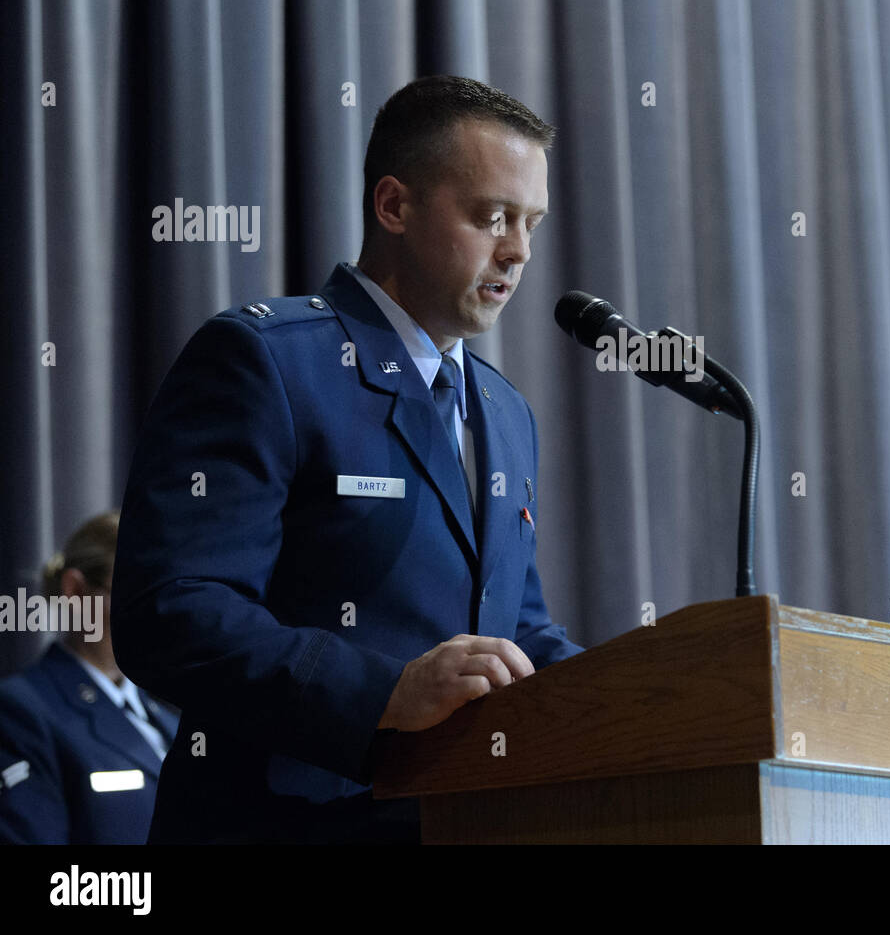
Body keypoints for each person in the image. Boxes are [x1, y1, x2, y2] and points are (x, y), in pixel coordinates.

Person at [112, 75, 582, 843]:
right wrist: (385, 692)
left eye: (531, 222)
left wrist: (651, 693)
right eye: (491, 215)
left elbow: (517, 631)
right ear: (393, 205)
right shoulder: (266, 361)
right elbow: (171, 612)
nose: (520, 250)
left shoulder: (504, 410)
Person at [0, 512, 179, 844]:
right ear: (76, 590)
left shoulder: (168, 712)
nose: (158, 611)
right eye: (138, 594)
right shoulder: (21, 711)